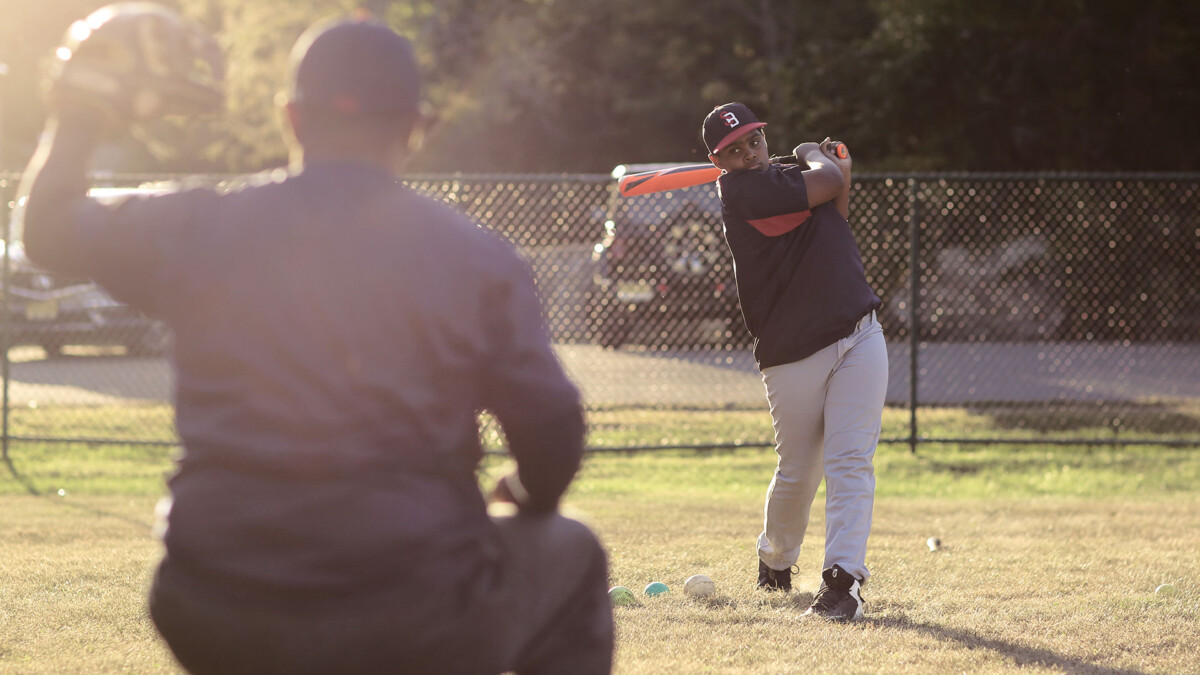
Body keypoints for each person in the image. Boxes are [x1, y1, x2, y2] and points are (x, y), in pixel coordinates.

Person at [19, 12, 613, 674]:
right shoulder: (479, 258)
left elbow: (46, 227)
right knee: (574, 549)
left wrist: (80, 112)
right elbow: (553, 432)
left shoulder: (199, 225)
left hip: (214, 604)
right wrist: (524, 494)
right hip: (412, 608)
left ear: (293, 119)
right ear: (415, 127)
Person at [702, 102, 888, 621]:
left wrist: (839, 168)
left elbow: (836, 210)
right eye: (733, 151)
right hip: (792, 351)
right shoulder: (742, 191)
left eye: (754, 141)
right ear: (719, 163)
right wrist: (814, 153)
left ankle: (843, 583)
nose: (749, 153)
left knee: (850, 461)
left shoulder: (787, 177)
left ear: (764, 138)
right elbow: (827, 181)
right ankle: (776, 558)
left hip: (859, 332)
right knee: (799, 473)